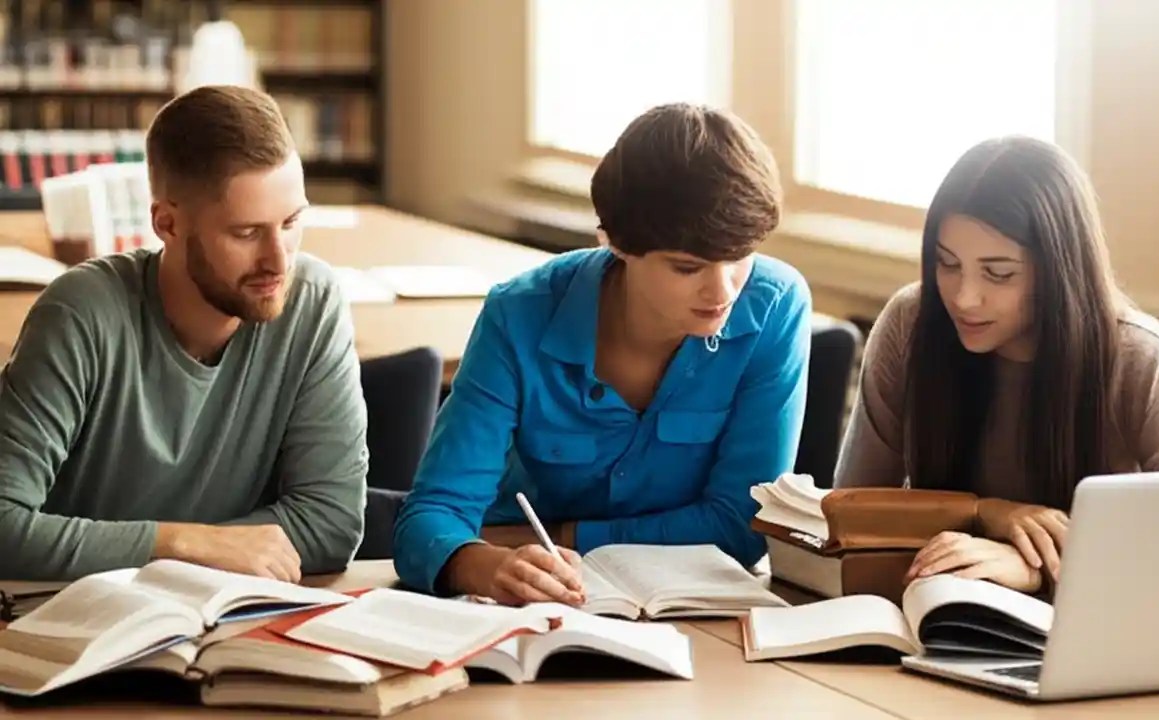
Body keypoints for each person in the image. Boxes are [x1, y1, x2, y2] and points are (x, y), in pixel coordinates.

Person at [394, 103, 812, 605]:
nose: (722, 291)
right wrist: (481, 564)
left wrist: (560, 537)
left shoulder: (777, 305)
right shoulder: (519, 313)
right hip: (525, 609)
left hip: (691, 610)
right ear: (614, 242)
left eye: (739, 258)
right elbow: (430, 518)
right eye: (686, 268)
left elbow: (741, 528)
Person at [0, 85, 368, 582]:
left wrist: (196, 554)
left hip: (231, 611)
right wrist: (185, 545)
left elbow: (331, 523)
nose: (279, 261)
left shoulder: (313, 302)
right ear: (167, 224)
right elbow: (4, 523)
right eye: (246, 232)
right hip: (75, 614)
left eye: (291, 222)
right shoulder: (80, 313)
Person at [834, 136, 1159, 594]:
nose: (964, 297)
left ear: (1058, 267)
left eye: (999, 273)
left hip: (1098, 625)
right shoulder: (912, 322)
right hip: (936, 613)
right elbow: (853, 512)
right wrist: (987, 513)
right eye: (947, 263)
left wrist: (1035, 570)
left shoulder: (1146, 362)